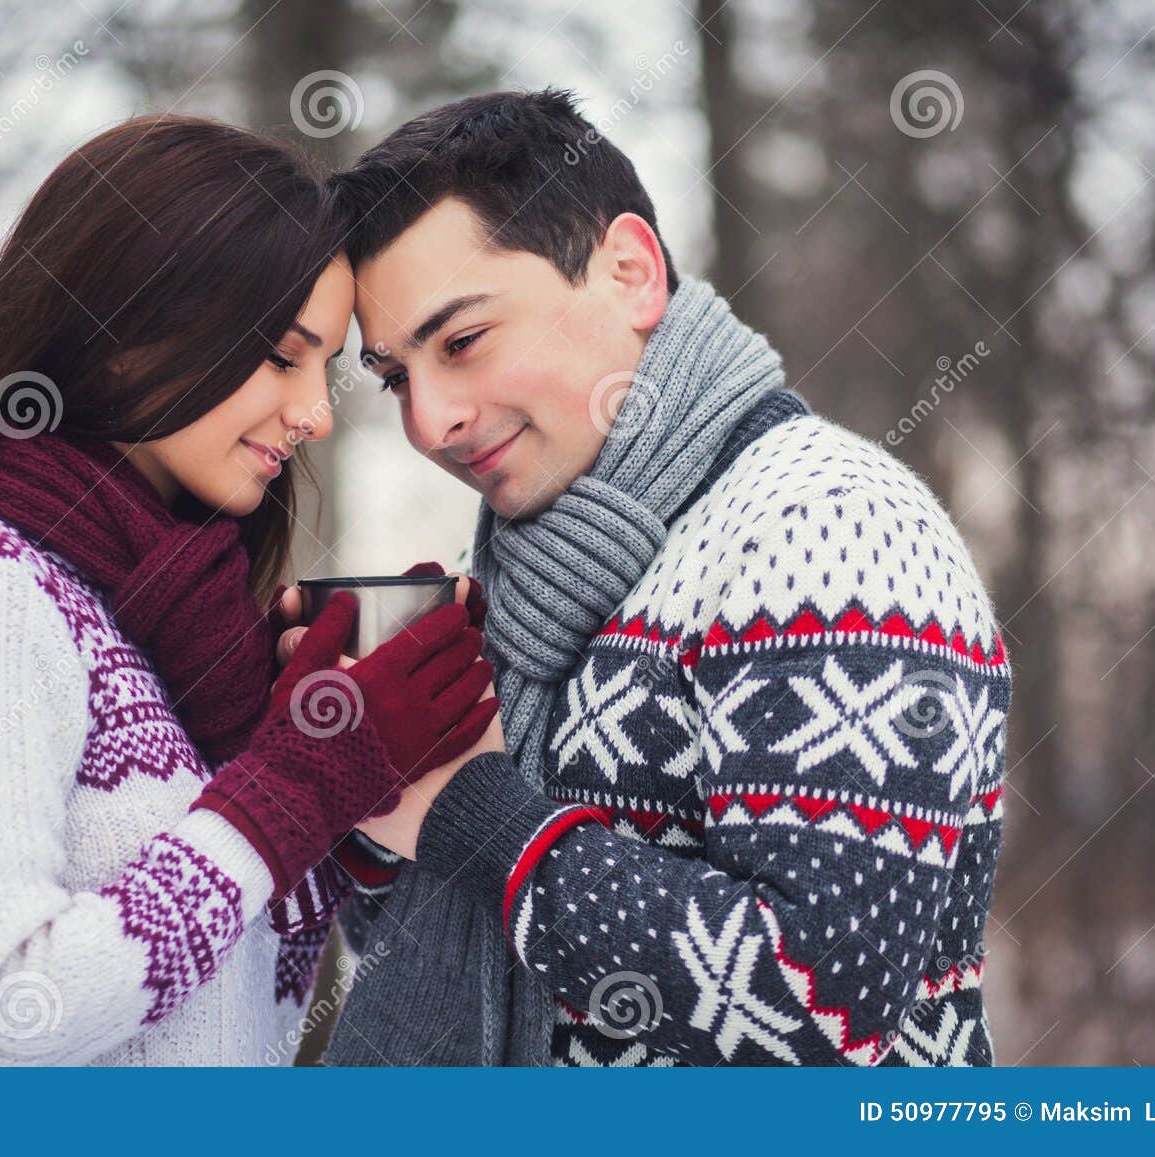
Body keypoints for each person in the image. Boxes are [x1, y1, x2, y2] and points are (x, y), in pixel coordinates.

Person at [316, 89, 1013, 1067]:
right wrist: (373, 804)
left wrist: (471, 815)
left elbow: (821, 1002)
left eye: (463, 341)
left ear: (630, 272)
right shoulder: (525, 579)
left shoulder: (828, 522)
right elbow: (480, 965)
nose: (429, 420)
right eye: (395, 376)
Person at [0, 114, 498, 1065]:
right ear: (126, 337)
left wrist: (371, 766)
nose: (315, 414)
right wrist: (290, 787)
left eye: (327, 369)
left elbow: (239, 976)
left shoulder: (190, 633)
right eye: (283, 355)